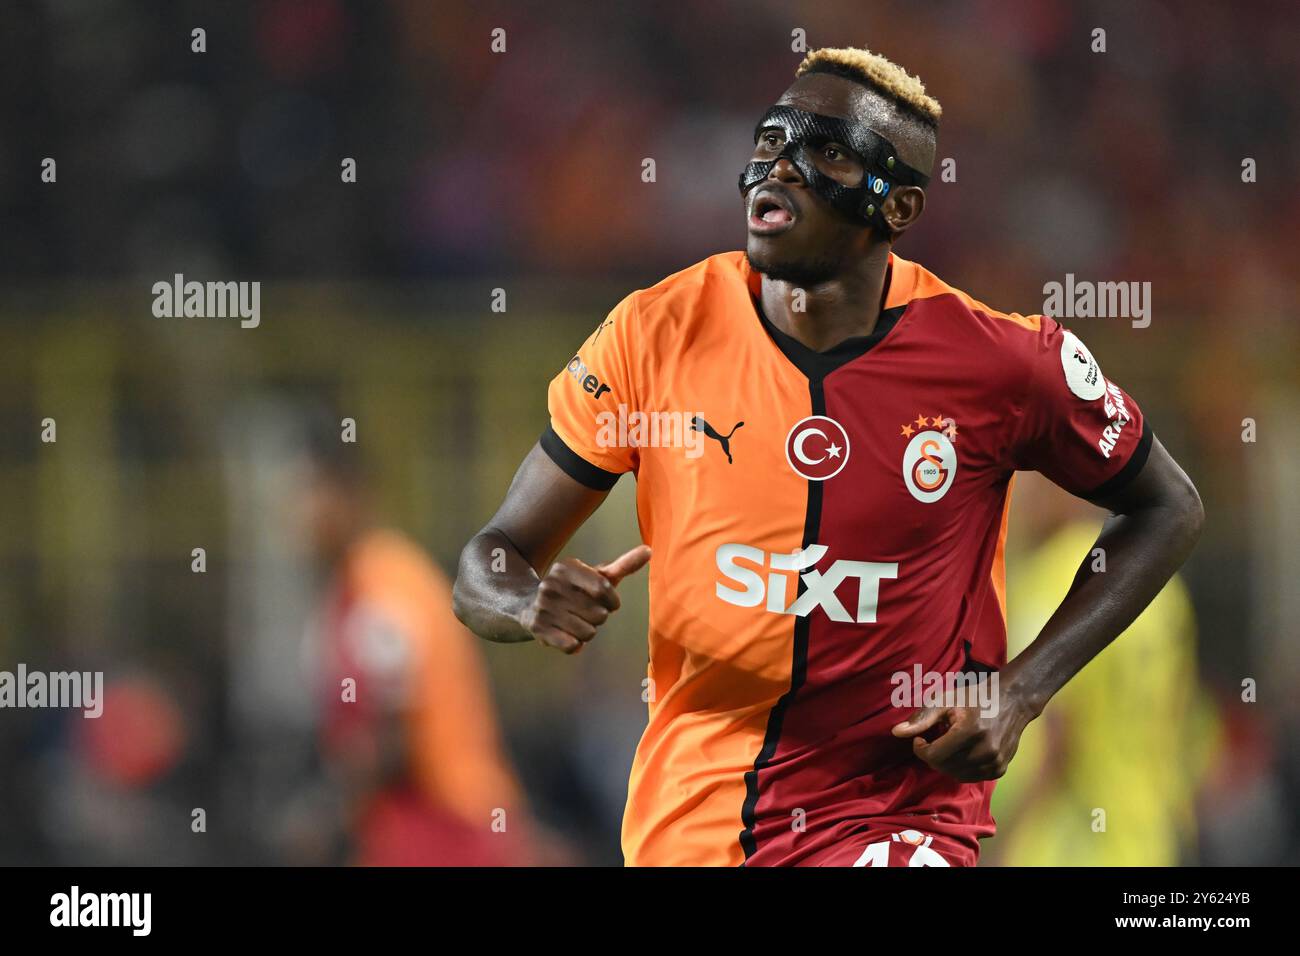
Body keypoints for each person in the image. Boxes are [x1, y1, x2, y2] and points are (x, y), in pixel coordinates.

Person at [453, 47, 1204, 866]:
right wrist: (527, 602)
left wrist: (1020, 692)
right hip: (692, 822)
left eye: (829, 151)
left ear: (899, 206)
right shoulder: (652, 334)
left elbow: (1167, 505)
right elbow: (488, 560)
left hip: (895, 813)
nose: (782, 167)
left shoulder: (1003, 364)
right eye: (771, 140)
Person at [298, 426, 533, 865]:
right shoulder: (357, 583)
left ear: (351, 496)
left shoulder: (385, 585)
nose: (302, 514)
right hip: (423, 827)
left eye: (313, 493)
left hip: (448, 828)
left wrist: (327, 811)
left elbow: (391, 736)